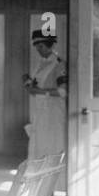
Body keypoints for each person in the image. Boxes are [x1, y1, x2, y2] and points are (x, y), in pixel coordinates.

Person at [24, 29, 67, 160]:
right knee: (39, 144)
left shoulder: (59, 64)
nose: (38, 49)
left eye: (41, 46)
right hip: (40, 110)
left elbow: (63, 92)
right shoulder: (40, 64)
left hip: (54, 112)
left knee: (52, 145)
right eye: (37, 46)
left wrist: (39, 91)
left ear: (51, 45)